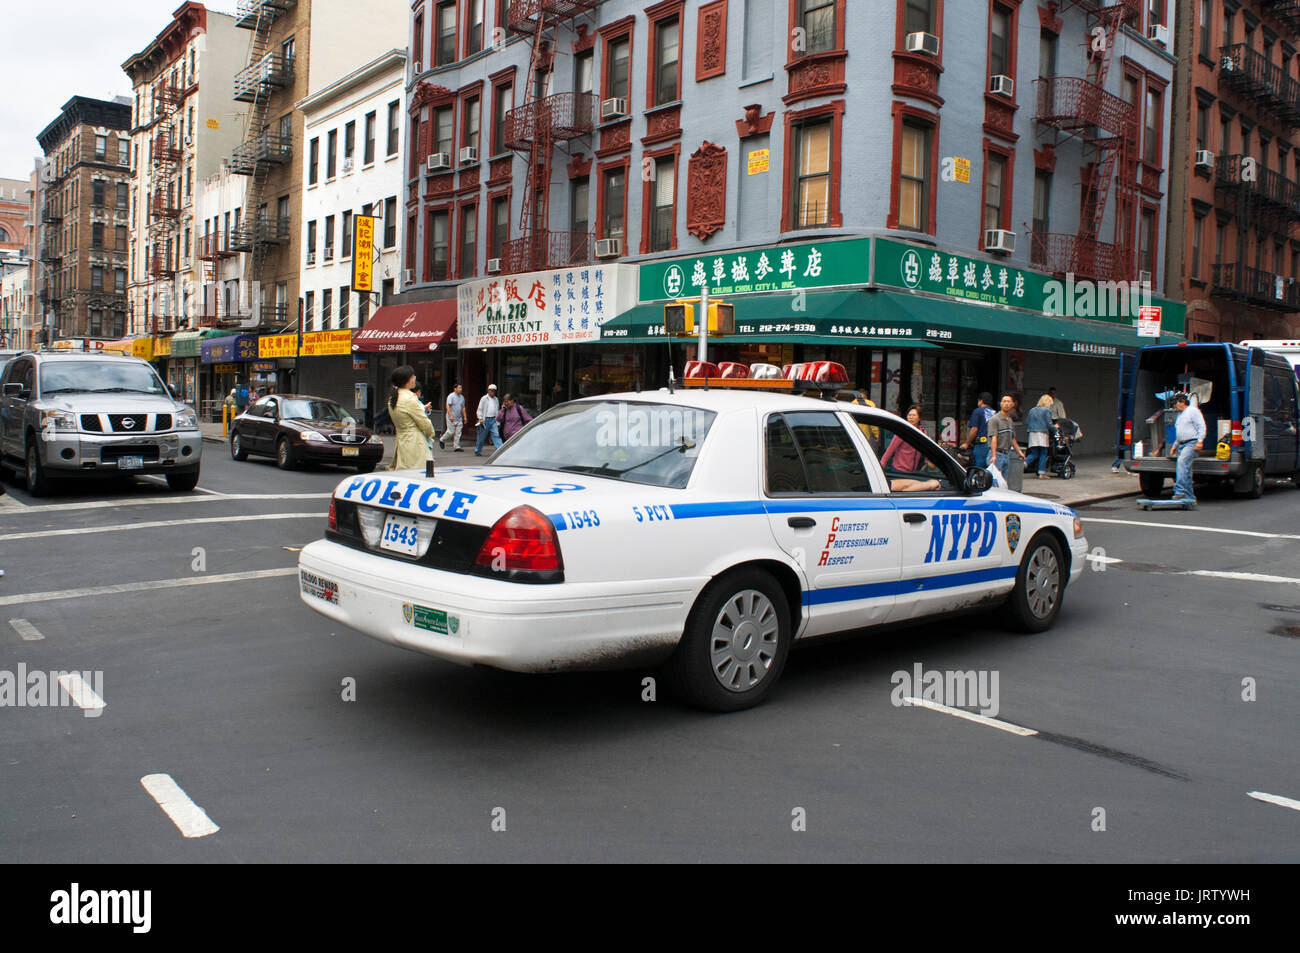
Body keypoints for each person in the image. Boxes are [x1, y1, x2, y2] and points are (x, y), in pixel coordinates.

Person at [387, 365, 435, 470]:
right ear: (407, 380)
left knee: (403, 472)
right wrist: (431, 434)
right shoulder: (410, 398)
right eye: (413, 376)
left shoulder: (392, 398)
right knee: (418, 474)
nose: (415, 378)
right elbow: (424, 423)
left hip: (401, 440)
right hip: (415, 441)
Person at [1170, 393, 1205, 502]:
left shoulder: (1192, 411)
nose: (1175, 406)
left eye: (1175, 403)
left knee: (1181, 463)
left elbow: (1201, 426)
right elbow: (1180, 432)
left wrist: (1200, 440)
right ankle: (1190, 496)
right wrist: (1175, 445)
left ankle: (1179, 491)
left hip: (1191, 443)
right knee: (1187, 470)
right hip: (1182, 444)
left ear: (1182, 402)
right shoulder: (1180, 415)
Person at [989, 394, 1026, 485]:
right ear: (1001, 404)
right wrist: (993, 455)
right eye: (1004, 401)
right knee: (995, 483)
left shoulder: (1010, 420)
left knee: (1004, 483)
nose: (1006, 404)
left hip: (1006, 454)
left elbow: (1012, 438)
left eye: (1008, 401)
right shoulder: (995, 419)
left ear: (1013, 404)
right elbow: (994, 438)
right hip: (997, 454)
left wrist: (1019, 452)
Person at [961, 392, 996, 469]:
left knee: (978, 469)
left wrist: (967, 443)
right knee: (989, 469)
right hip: (993, 445)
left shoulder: (978, 411)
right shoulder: (994, 413)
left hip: (982, 445)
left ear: (981, 401)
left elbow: (974, 429)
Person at [1025, 394, 1054, 480]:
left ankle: (1021, 464)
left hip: (1032, 433)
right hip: (1042, 433)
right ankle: (1042, 473)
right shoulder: (1046, 411)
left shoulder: (1032, 410)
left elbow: (1027, 421)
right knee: (1043, 453)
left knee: (1034, 453)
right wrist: (1055, 428)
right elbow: (1049, 423)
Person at [475, 383, 503, 455]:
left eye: (494, 391)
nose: (493, 392)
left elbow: (496, 410)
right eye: (491, 391)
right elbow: (479, 409)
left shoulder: (496, 399)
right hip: (485, 420)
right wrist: (480, 418)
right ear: (488, 391)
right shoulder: (484, 398)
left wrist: (497, 421)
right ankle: (478, 450)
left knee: (496, 435)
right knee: (481, 437)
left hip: (493, 419)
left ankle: (500, 450)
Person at [440, 383, 465, 451]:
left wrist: (465, 417)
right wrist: (450, 415)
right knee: (451, 432)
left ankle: (456, 446)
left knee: (458, 432)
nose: (461, 389)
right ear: (455, 389)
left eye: (461, 388)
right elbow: (448, 406)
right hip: (451, 417)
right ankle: (442, 439)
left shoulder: (462, 397)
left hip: (459, 417)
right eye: (459, 388)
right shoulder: (451, 396)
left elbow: (463, 407)